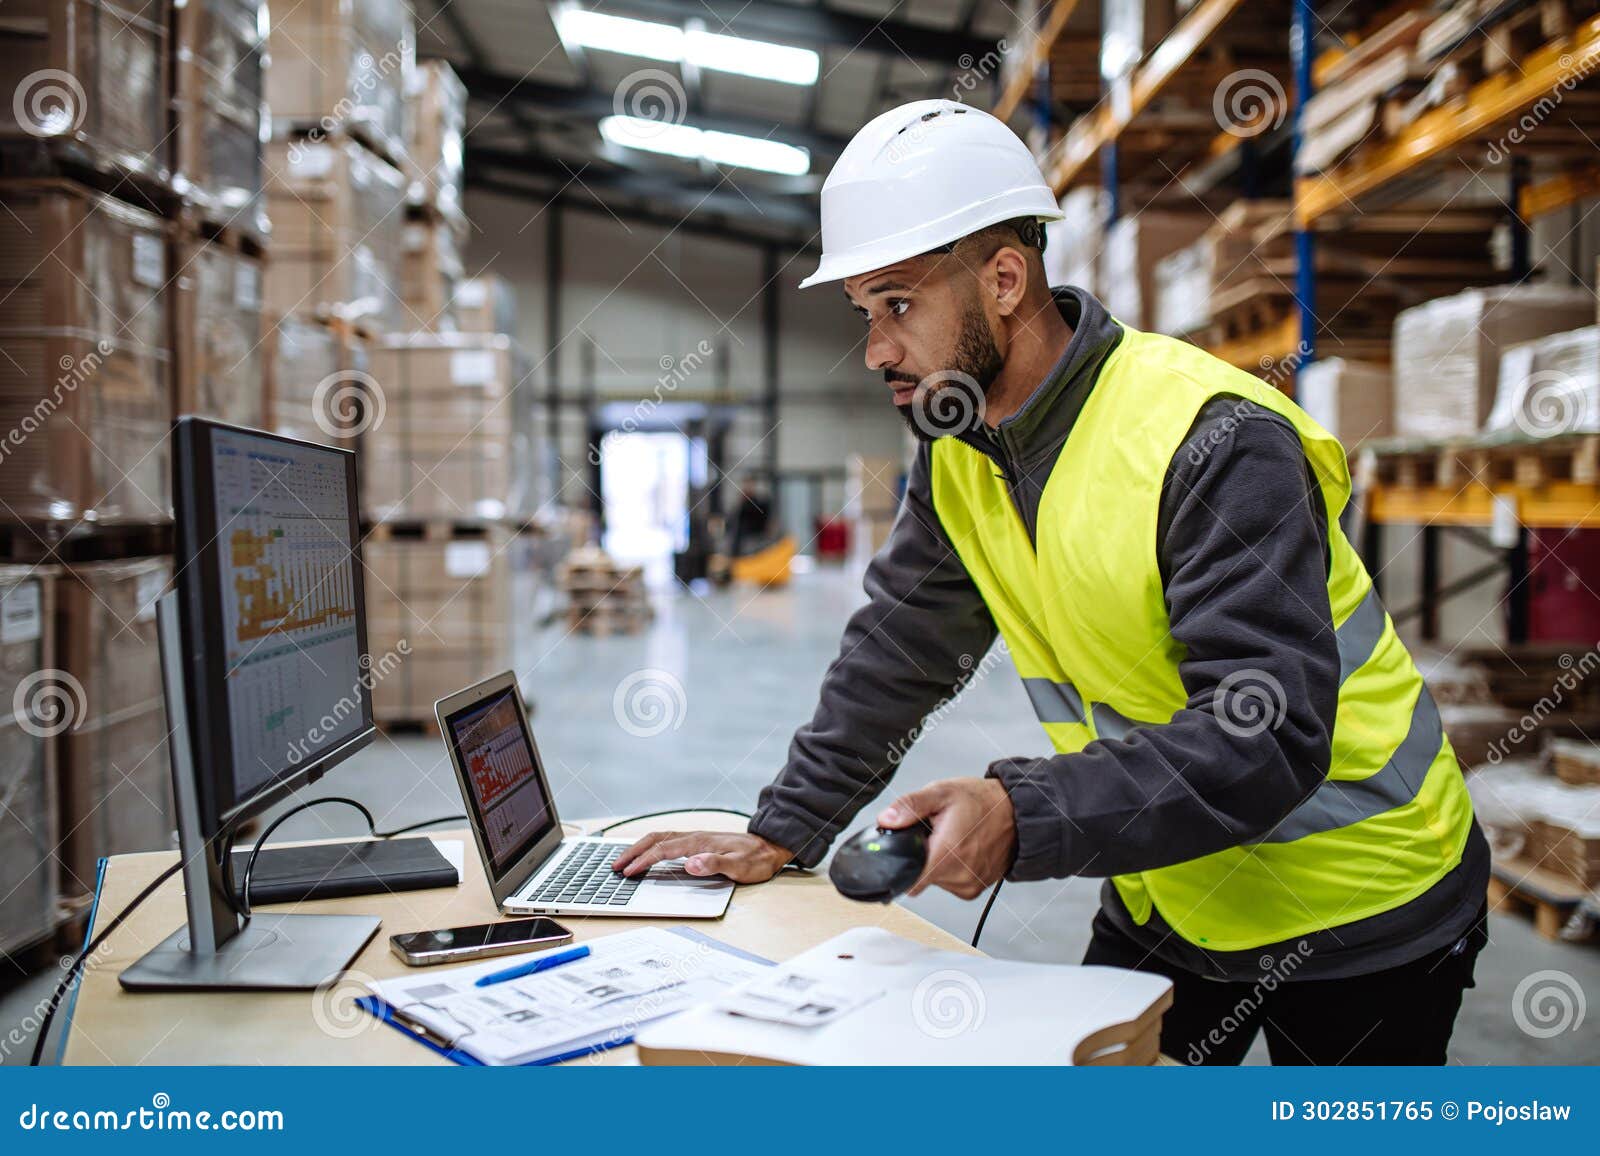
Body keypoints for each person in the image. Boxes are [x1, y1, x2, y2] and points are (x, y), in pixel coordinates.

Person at [614, 99, 1488, 1065]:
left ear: (1003, 279)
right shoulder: (959, 449)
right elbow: (900, 651)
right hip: (1171, 885)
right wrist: (784, 828)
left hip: (1356, 904)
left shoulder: (1213, 441)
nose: (876, 350)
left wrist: (1021, 813)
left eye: (898, 305)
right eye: (865, 313)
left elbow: (1267, 732)